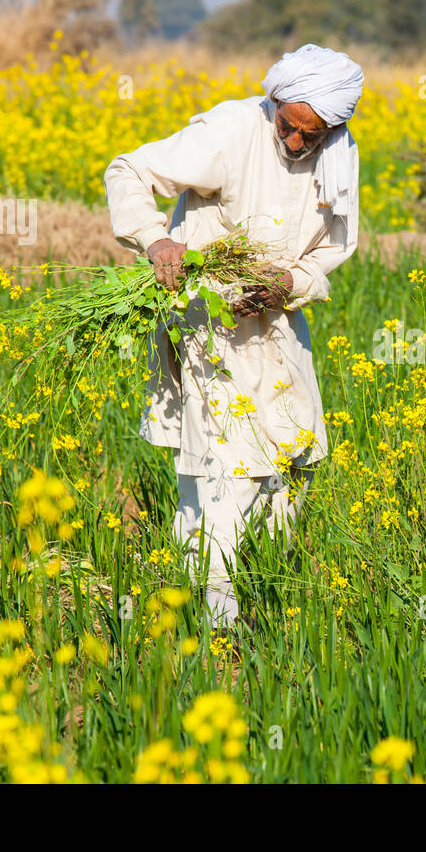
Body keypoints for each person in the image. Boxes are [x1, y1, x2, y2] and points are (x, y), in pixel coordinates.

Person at [103, 44, 364, 627]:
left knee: (292, 453)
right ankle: (217, 607)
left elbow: (332, 250)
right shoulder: (230, 131)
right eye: (289, 127)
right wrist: (154, 239)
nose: (297, 144)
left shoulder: (339, 153)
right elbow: (127, 169)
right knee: (225, 460)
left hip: (275, 321)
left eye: (312, 135)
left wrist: (287, 281)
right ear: (274, 102)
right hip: (205, 320)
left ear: (336, 126)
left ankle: (259, 586)